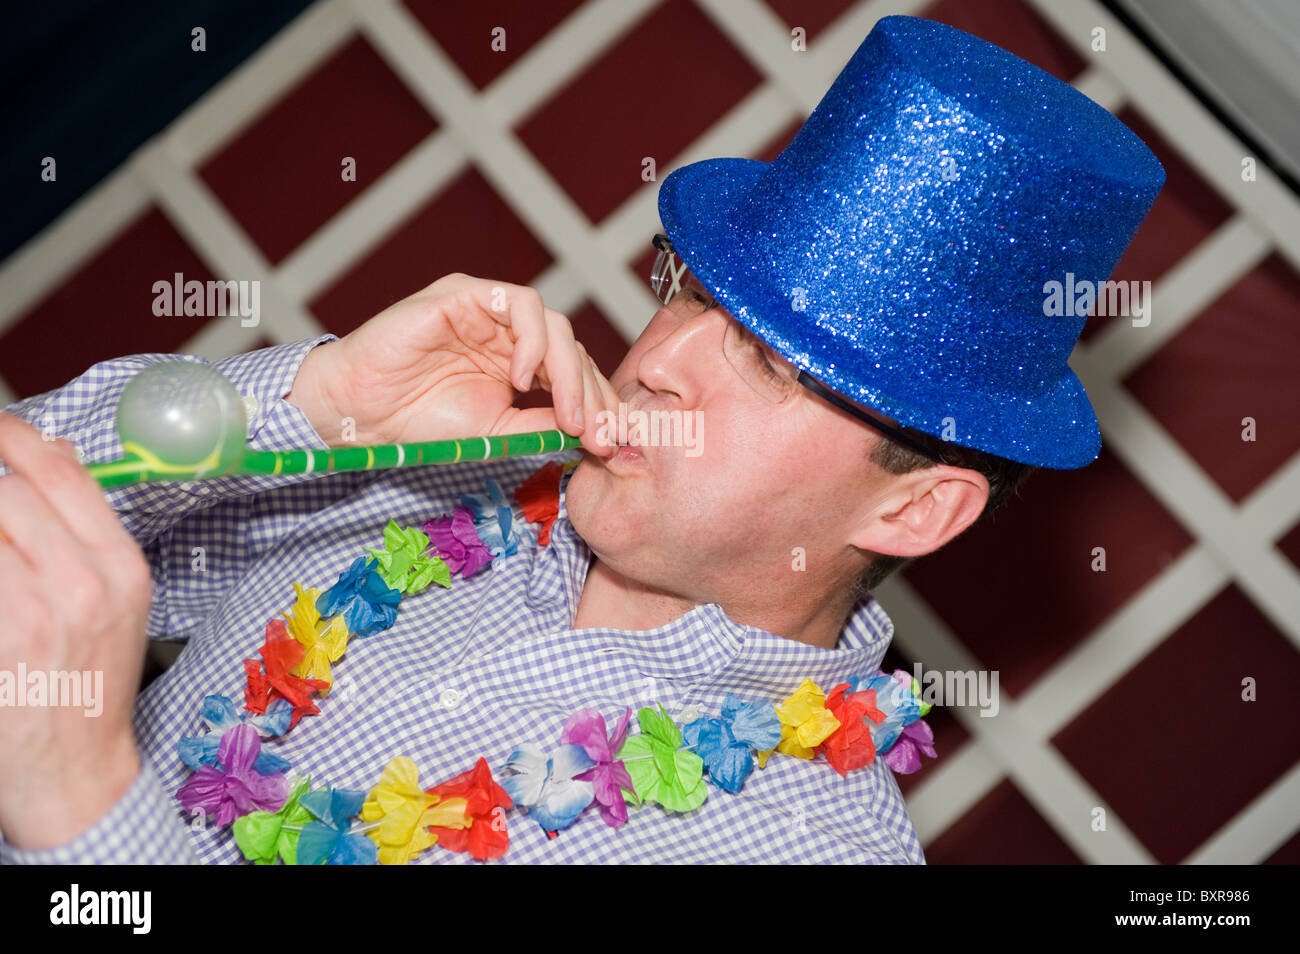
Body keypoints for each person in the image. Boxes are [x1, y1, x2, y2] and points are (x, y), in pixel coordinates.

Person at [0, 16, 1162, 863]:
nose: (660, 353)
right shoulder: (449, 484)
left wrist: (86, 816)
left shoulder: (798, 849)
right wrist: (315, 406)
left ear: (912, 509)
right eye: (695, 292)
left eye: (768, 363)